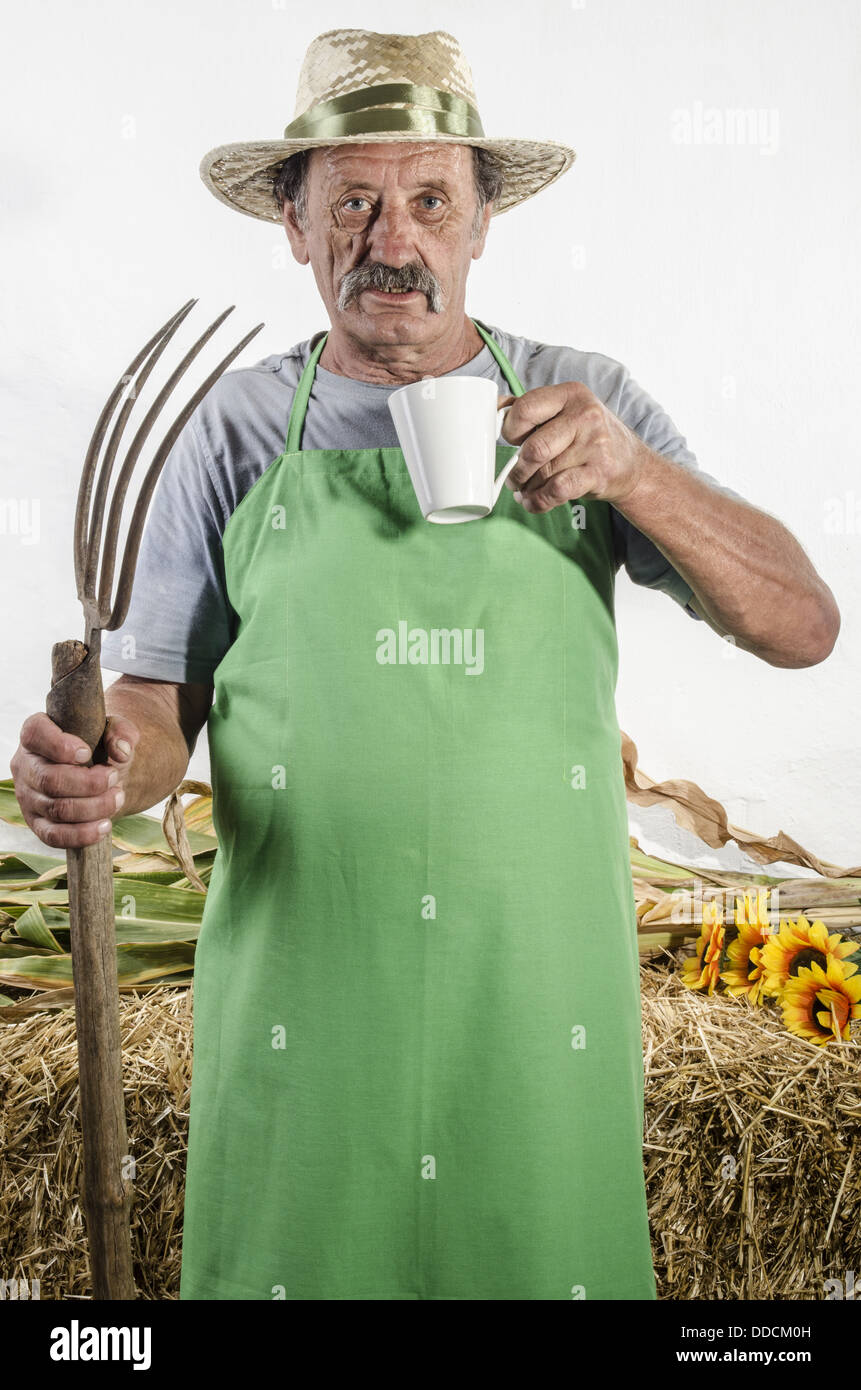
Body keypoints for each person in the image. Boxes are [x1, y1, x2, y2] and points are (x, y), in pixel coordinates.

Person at [11, 29, 839, 1301]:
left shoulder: (582, 402)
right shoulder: (233, 428)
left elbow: (803, 626)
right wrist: (110, 769)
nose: (392, 239)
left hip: (535, 993)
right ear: (294, 226)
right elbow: (158, 705)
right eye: (352, 201)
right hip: (306, 989)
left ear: (481, 223)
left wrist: (635, 475)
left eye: (429, 200)